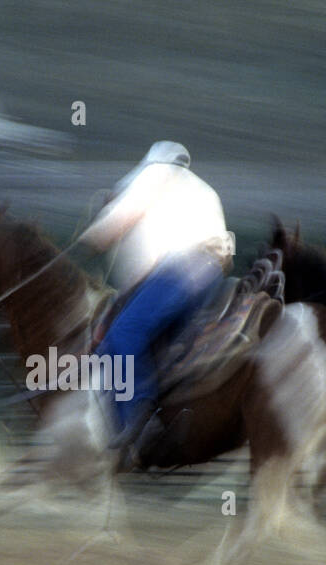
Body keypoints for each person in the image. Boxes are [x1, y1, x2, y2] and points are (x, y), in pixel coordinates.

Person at [78, 141, 233, 459]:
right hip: (209, 273)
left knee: (122, 334)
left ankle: (138, 421)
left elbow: (122, 220)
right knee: (150, 341)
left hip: (180, 270)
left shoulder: (156, 174)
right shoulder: (203, 190)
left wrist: (92, 236)